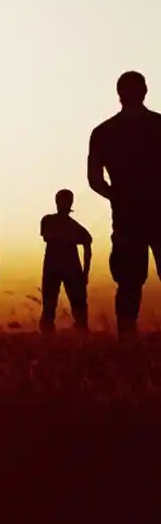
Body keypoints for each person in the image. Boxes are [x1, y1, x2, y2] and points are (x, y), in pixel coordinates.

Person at [88, 71, 161, 337]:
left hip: (126, 217)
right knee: (130, 282)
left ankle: (127, 341)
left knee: (129, 284)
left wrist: (117, 196)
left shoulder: (104, 132)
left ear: (119, 95)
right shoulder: (158, 125)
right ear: (145, 91)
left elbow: (94, 179)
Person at [40, 189, 93, 333]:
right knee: (49, 306)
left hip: (67, 269)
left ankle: (81, 335)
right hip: (57, 268)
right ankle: (48, 336)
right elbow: (47, 236)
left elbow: (88, 242)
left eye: (66, 201)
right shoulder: (49, 221)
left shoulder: (69, 225)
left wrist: (85, 272)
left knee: (78, 306)